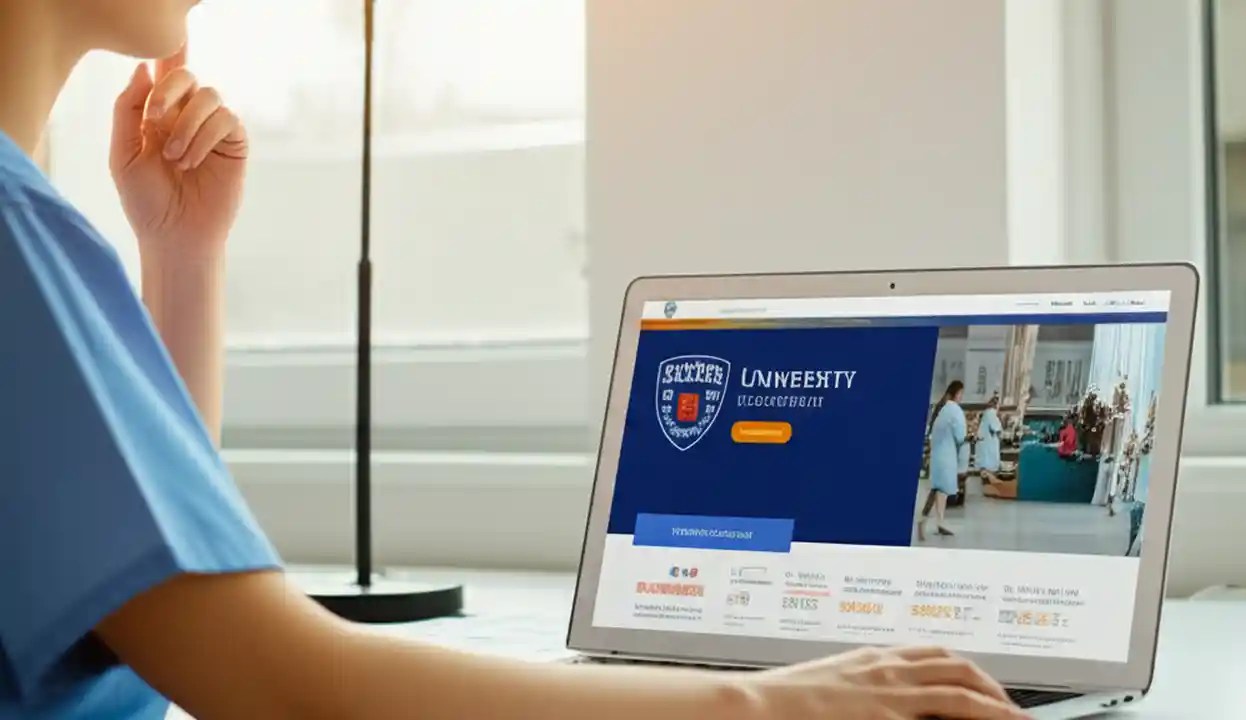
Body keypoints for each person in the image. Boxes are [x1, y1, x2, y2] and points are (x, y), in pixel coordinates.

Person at [0, 2, 1030, 719]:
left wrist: (184, 260)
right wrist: (772, 701)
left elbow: (177, 623)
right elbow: (285, 690)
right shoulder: (15, 230)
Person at [918, 381, 966, 540]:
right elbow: (960, 436)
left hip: (938, 456)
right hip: (947, 457)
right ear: (958, 393)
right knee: (941, 490)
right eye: (961, 394)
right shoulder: (955, 410)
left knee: (939, 490)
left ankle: (940, 522)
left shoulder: (942, 409)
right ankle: (924, 519)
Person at [974, 395, 1002, 483]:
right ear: (997, 406)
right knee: (988, 472)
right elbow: (997, 428)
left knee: (985, 470)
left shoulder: (986, 414)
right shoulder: (991, 414)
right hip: (988, 451)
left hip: (984, 448)